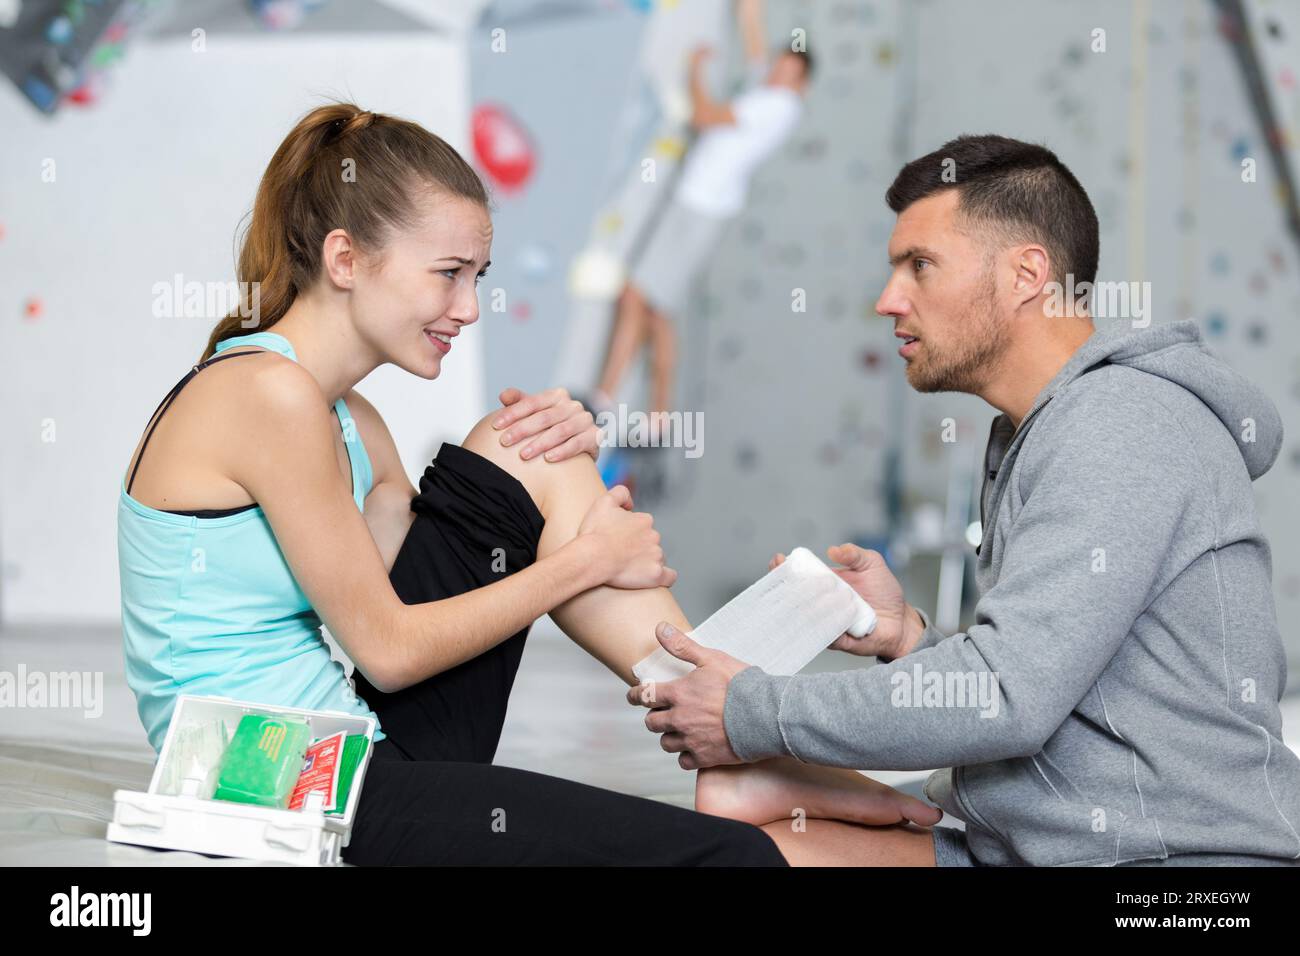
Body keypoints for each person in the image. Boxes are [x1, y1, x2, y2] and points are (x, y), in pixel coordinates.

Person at [118, 102, 808, 865]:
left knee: (529, 444)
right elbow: (388, 650)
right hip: (280, 784)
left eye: (478, 277)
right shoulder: (266, 396)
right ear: (345, 260)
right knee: (733, 858)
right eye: (448, 275)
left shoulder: (352, 420)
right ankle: (740, 745)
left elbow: (432, 593)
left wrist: (562, 460)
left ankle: (730, 730)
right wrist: (584, 562)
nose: (470, 309)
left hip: (357, 747)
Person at [630, 134, 1300, 867]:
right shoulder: (1036, 430)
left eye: (919, 266)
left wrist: (753, 713)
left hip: (1179, 877)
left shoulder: (1122, 423)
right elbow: (1045, 673)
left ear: (1025, 274)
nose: (888, 301)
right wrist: (907, 639)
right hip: (1034, 847)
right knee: (748, 847)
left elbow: (1008, 695)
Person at [594, 0, 811, 419]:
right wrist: (750, 14)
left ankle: (616, 398)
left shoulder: (778, 105)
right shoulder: (767, 91)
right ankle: (653, 410)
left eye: (788, 71)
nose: (778, 71)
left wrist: (695, 68)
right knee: (655, 307)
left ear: (801, 82)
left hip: (700, 206)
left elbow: (705, 115)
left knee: (638, 296)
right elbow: (753, 41)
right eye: (779, 65)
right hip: (698, 202)